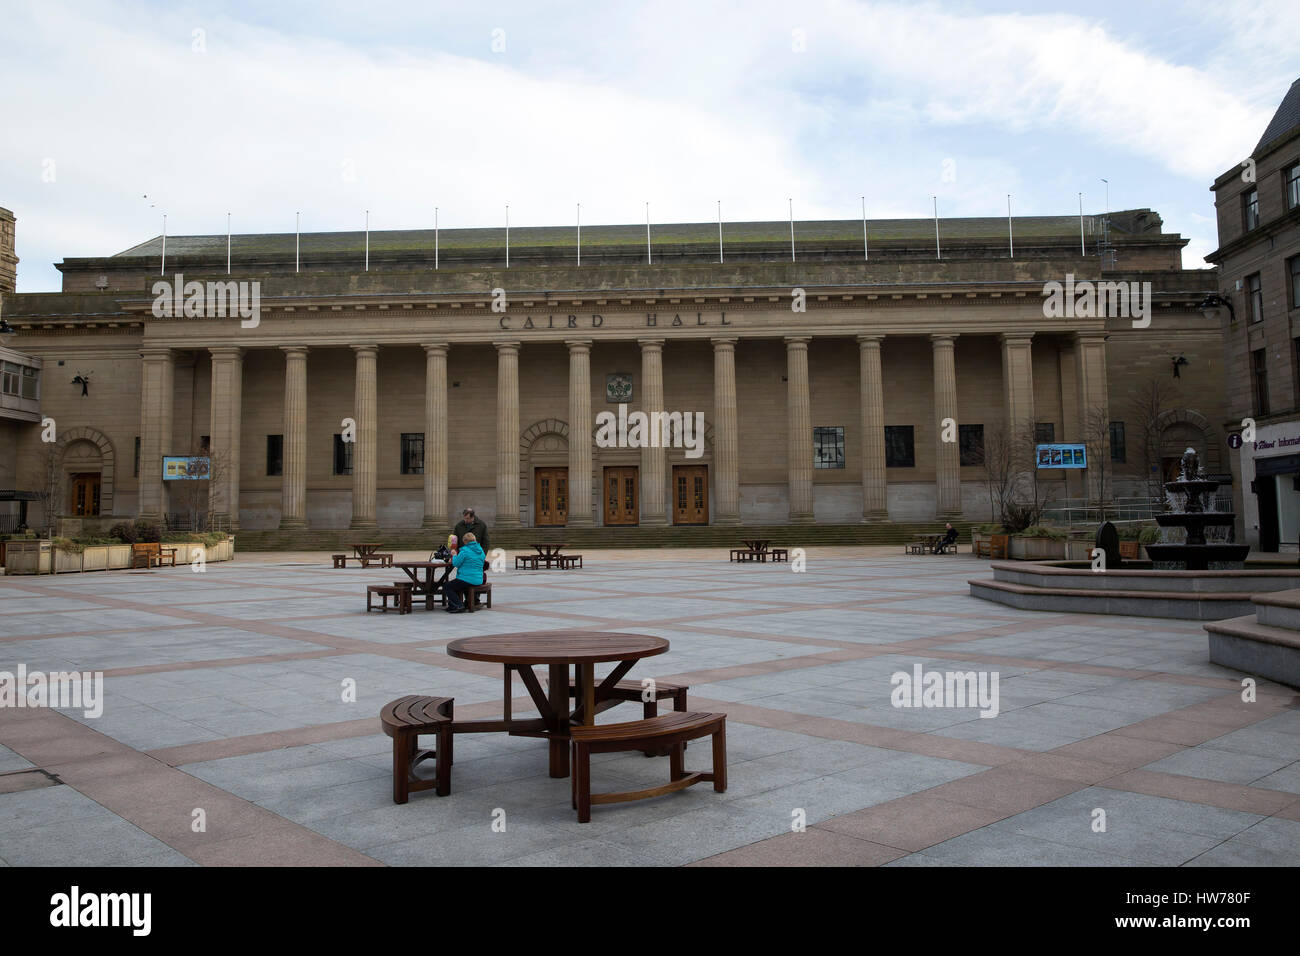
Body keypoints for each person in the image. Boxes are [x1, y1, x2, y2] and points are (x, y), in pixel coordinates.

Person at [445, 532, 485, 613]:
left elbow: (456, 563)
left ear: (465, 541)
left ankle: (458, 605)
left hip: (466, 579)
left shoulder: (465, 551)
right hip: (478, 579)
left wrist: (454, 555)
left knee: (447, 586)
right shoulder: (481, 550)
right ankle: (453, 605)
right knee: (455, 585)